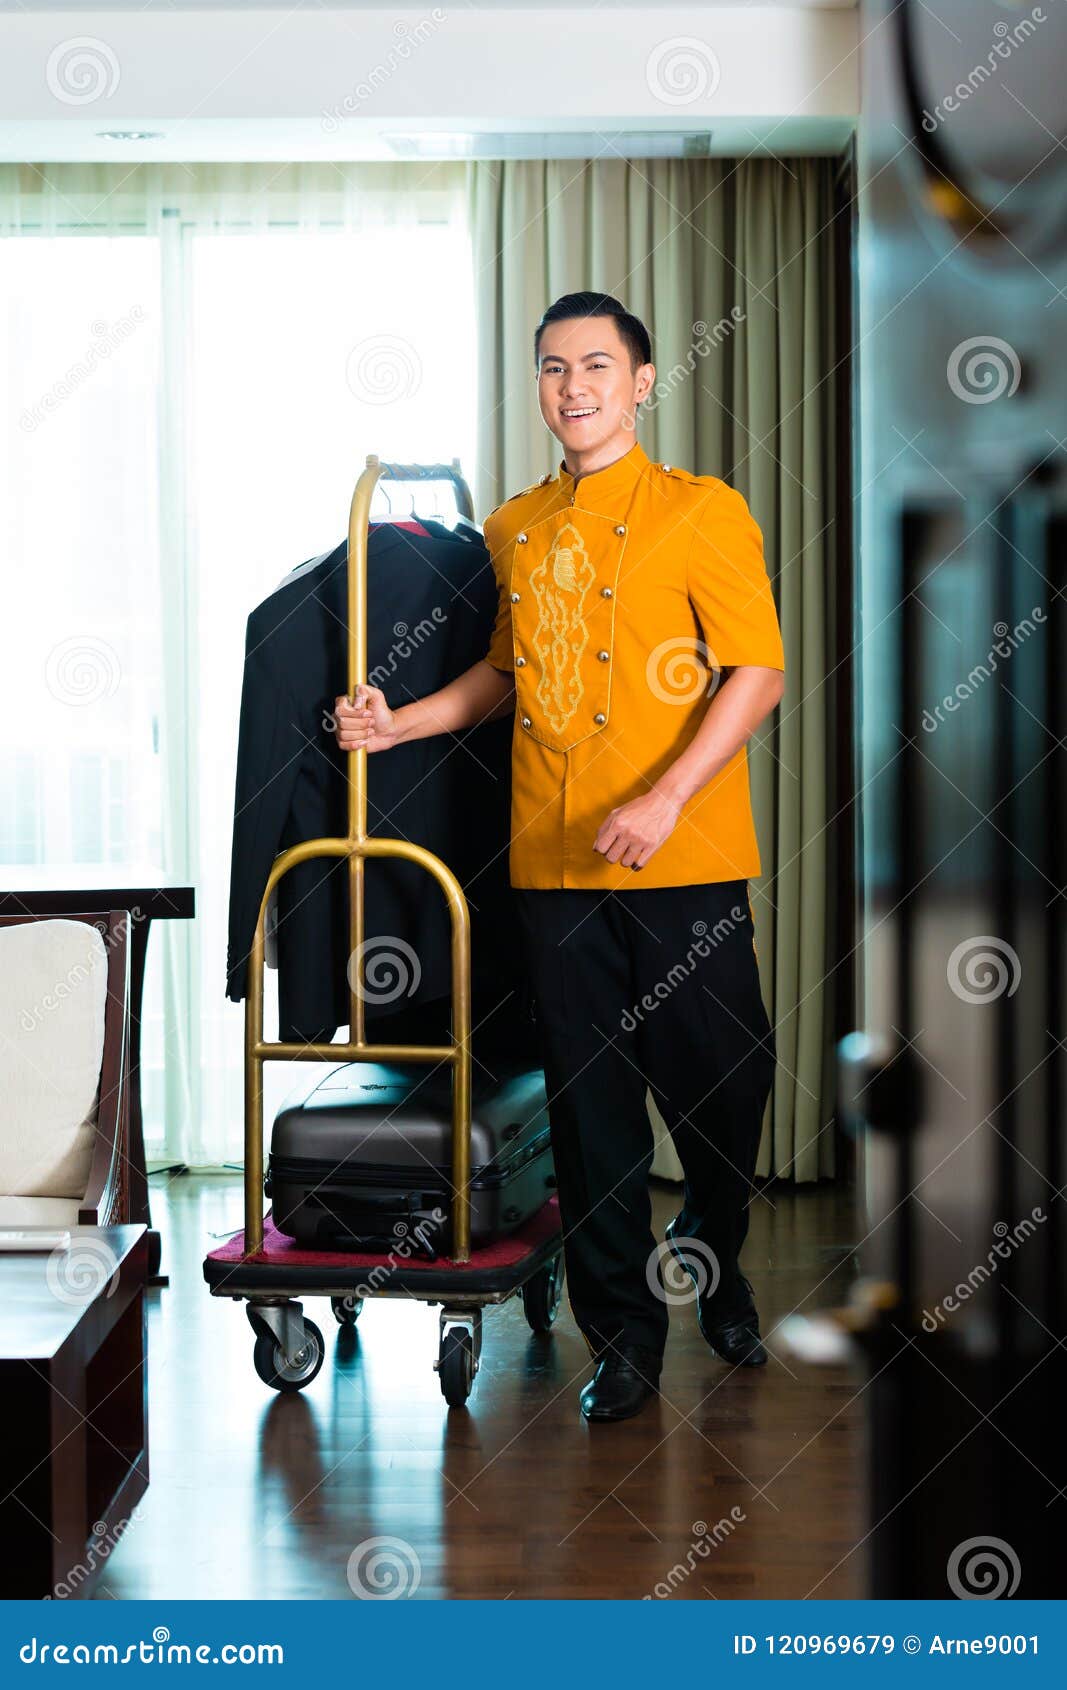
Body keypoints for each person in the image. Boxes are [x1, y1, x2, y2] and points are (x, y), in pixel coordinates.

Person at [334, 291, 785, 1422]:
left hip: (683, 860)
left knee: (726, 1091)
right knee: (590, 1116)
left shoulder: (702, 512)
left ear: (639, 381)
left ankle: (716, 1256)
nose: (571, 385)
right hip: (551, 865)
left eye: (594, 364)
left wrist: (668, 795)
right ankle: (621, 1339)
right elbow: (503, 674)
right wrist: (401, 719)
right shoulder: (516, 527)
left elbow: (755, 671)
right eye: (550, 367)